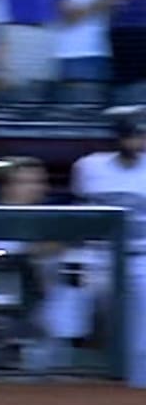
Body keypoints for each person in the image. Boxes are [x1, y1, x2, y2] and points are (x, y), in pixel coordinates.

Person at [71, 107, 146, 388]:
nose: (135, 143)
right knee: (70, 309)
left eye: (139, 136)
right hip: (97, 257)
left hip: (141, 257)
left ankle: (136, 391)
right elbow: (77, 215)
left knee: (141, 330)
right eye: (130, 136)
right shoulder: (90, 166)